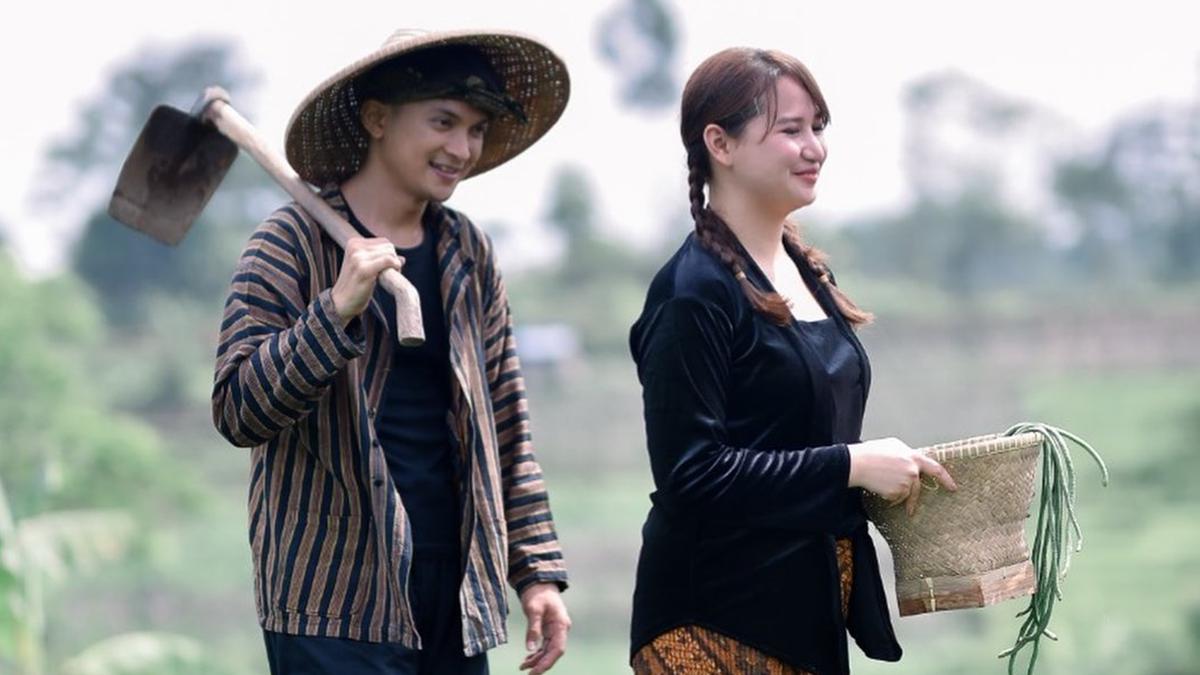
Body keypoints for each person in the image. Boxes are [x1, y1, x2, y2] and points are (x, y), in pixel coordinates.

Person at [211, 29, 572, 675]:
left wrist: (537, 570)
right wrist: (334, 311)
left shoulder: (468, 251)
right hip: (333, 597)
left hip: (457, 590)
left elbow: (508, 423)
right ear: (377, 118)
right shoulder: (289, 243)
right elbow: (238, 409)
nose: (461, 148)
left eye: (476, 129)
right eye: (443, 122)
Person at [627, 47, 958, 675]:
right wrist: (851, 465)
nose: (814, 148)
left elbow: (801, 436)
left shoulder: (807, 269)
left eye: (818, 128)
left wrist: (879, 468)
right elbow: (691, 475)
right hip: (717, 623)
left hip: (808, 610)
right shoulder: (692, 292)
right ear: (719, 144)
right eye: (790, 130)